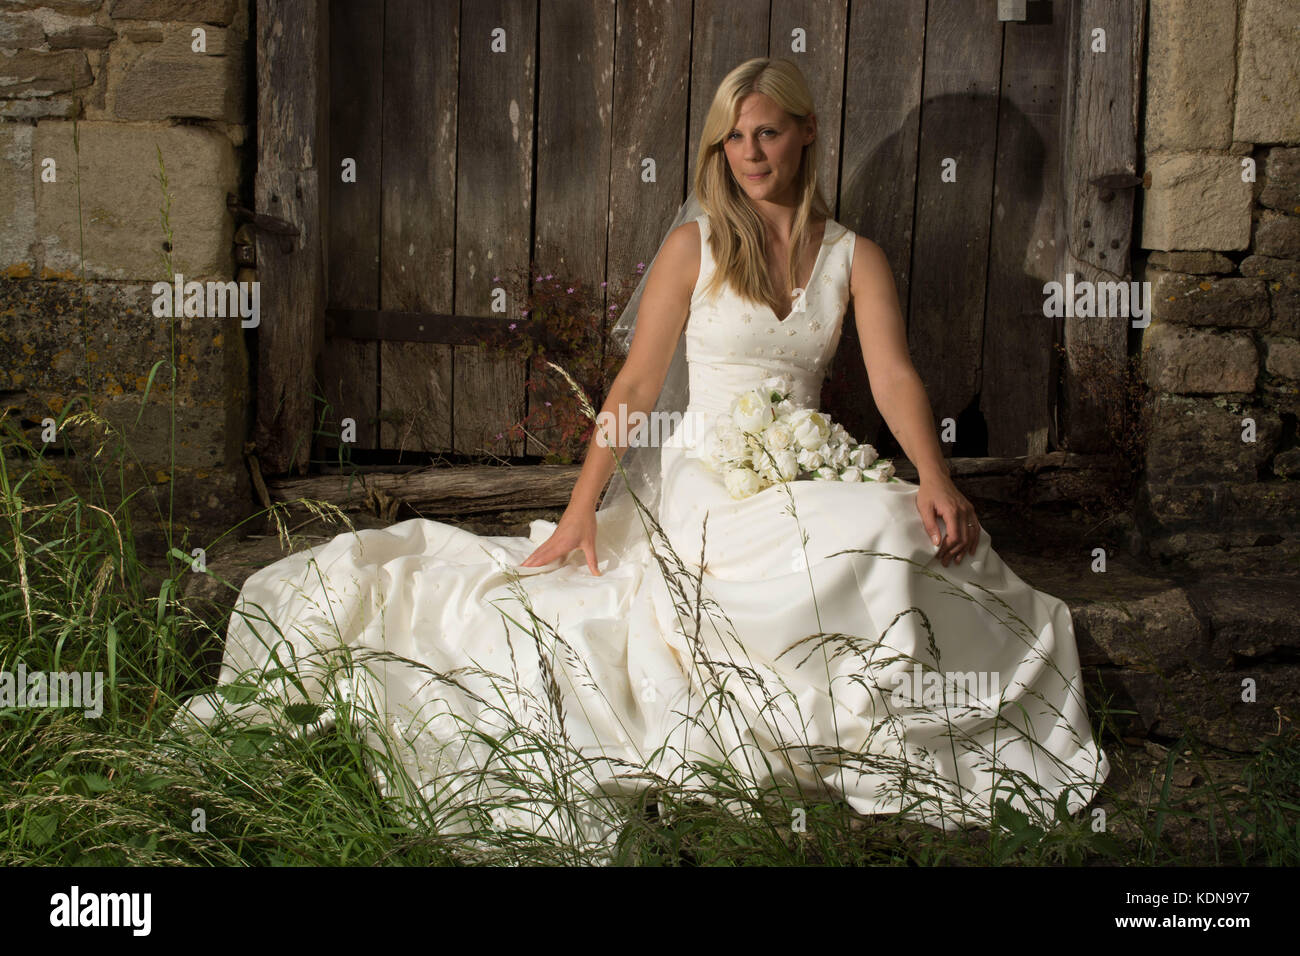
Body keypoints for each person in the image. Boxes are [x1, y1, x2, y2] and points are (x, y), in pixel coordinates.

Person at [170, 57, 1110, 857]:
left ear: (806, 135)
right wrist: (582, 509)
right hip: (709, 471)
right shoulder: (697, 247)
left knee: (900, 523)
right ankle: (820, 721)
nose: (749, 154)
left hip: (809, 456)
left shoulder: (852, 257)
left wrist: (935, 475)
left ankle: (893, 720)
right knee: (824, 548)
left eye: (767, 133)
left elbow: (897, 378)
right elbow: (631, 392)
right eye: (732, 139)